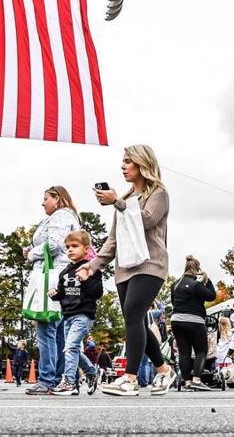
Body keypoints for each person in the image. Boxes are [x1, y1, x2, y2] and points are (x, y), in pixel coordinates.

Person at [79, 145, 176, 397]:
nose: (123, 166)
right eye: (122, 161)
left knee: (134, 314)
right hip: (124, 268)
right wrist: (91, 266)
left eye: (127, 161)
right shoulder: (124, 198)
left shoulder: (159, 194)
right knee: (136, 321)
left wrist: (118, 203)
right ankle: (164, 370)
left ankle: (130, 379)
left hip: (151, 265)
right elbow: (113, 241)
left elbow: (146, 219)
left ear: (142, 164)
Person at [24, 185, 81, 395]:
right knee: (59, 332)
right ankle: (63, 379)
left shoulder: (59, 216)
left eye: (46, 198)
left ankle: (46, 379)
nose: (42, 203)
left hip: (51, 276)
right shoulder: (71, 217)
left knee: (45, 327)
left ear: (57, 199)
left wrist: (31, 254)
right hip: (62, 274)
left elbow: (55, 245)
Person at [48, 230, 103, 395]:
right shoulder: (64, 272)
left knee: (70, 347)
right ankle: (92, 372)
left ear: (86, 249)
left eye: (75, 246)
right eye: (67, 247)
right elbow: (63, 294)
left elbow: (97, 292)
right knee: (72, 349)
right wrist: (55, 294)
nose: (70, 249)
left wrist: (86, 279)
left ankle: (69, 383)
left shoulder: (91, 268)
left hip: (83, 315)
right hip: (68, 316)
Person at [170, 255, 217, 391]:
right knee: (201, 350)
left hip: (177, 320)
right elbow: (211, 296)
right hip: (195, 320)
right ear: (197, 269)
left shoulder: (175, 284)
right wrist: (207, 281)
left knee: (184, 352)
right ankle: (197, 379)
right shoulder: (197, 285)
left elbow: (173, 302)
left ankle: (187, 383)